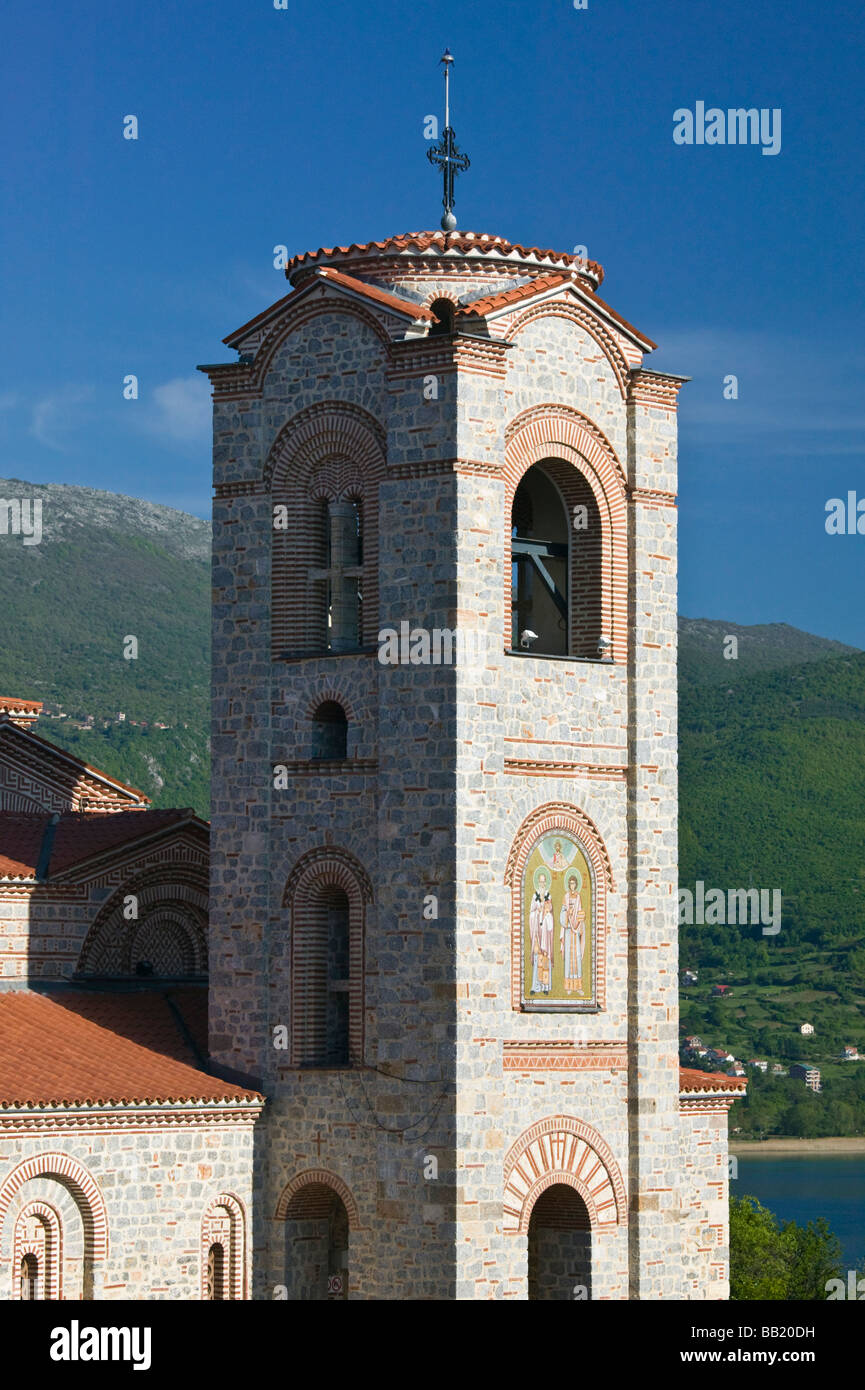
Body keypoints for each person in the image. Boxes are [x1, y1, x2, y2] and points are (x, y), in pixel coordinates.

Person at [559, 874, 585, 994]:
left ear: (576, 884)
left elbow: (580, 912)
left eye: (574, 883)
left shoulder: (579, 897)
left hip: (576, 929)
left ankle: (578, 986)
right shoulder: (566, 897)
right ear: (569, 885)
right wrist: (567, 912)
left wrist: (580, 919)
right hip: (569, 929)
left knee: (577, 956)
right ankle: (569, 986)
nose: (572, 885)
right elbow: (562, 913)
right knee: (569, 956)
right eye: (571, 883)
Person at [529, 871, 554, 994]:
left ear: (546, 882)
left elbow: (551, 917)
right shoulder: (535, 897)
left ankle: (545, 987)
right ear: (538, 882)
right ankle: (536, 987)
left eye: (544, 881)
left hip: (545, 934)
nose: (542, 883)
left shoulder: (549, 897)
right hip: (537, 933)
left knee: (545, 959)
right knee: (537, 957)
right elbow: (531, 914)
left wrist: (547, 914)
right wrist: (537, 912)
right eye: (541, 881)